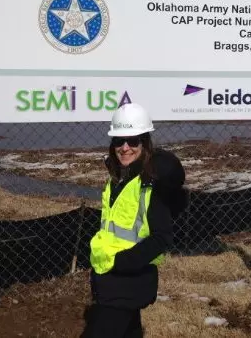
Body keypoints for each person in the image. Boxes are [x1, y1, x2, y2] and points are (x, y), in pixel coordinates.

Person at [81, 103, 188, 338]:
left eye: (132, 141)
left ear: (144, 143)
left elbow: (162, 237)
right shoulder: (118, 178)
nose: (125, 147)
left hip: (127, 282)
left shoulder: (150, 184)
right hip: (111, 278)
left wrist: (125, 262)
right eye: (119, 141)